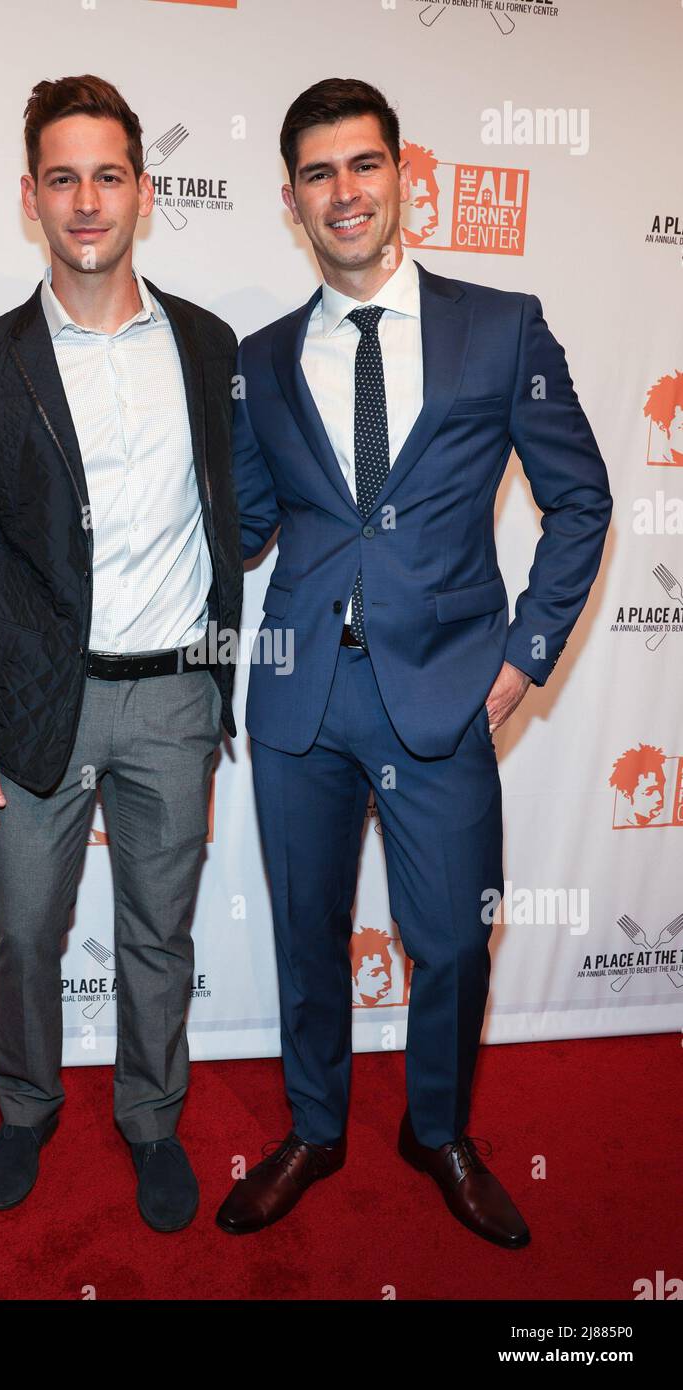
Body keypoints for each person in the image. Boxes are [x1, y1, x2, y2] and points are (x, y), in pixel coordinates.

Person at [217, 78, 612, 1247]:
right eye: (318, 175)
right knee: (304, 931)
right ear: (291, 203)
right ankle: (314, 1125)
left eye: (363, 165)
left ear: (404, 175)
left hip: (443, 692)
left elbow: (579, 499)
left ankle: (434, 1128)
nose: (344, 192)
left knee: (447, 939)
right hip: (301, 694)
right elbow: (237, 521)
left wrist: (522, 657)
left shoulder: (503, 326)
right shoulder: (257, 357)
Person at [0, 74, 242, 1232]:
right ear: (30, 196)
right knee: (29, 929)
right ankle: (26, 1106)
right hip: (28, 707)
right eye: (63, 177)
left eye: (109, 175)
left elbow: (237, 508)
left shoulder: (208, 346)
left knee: (159, 931)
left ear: (143, 192)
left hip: (172, 698)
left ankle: (151, 1118)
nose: (87, 200)